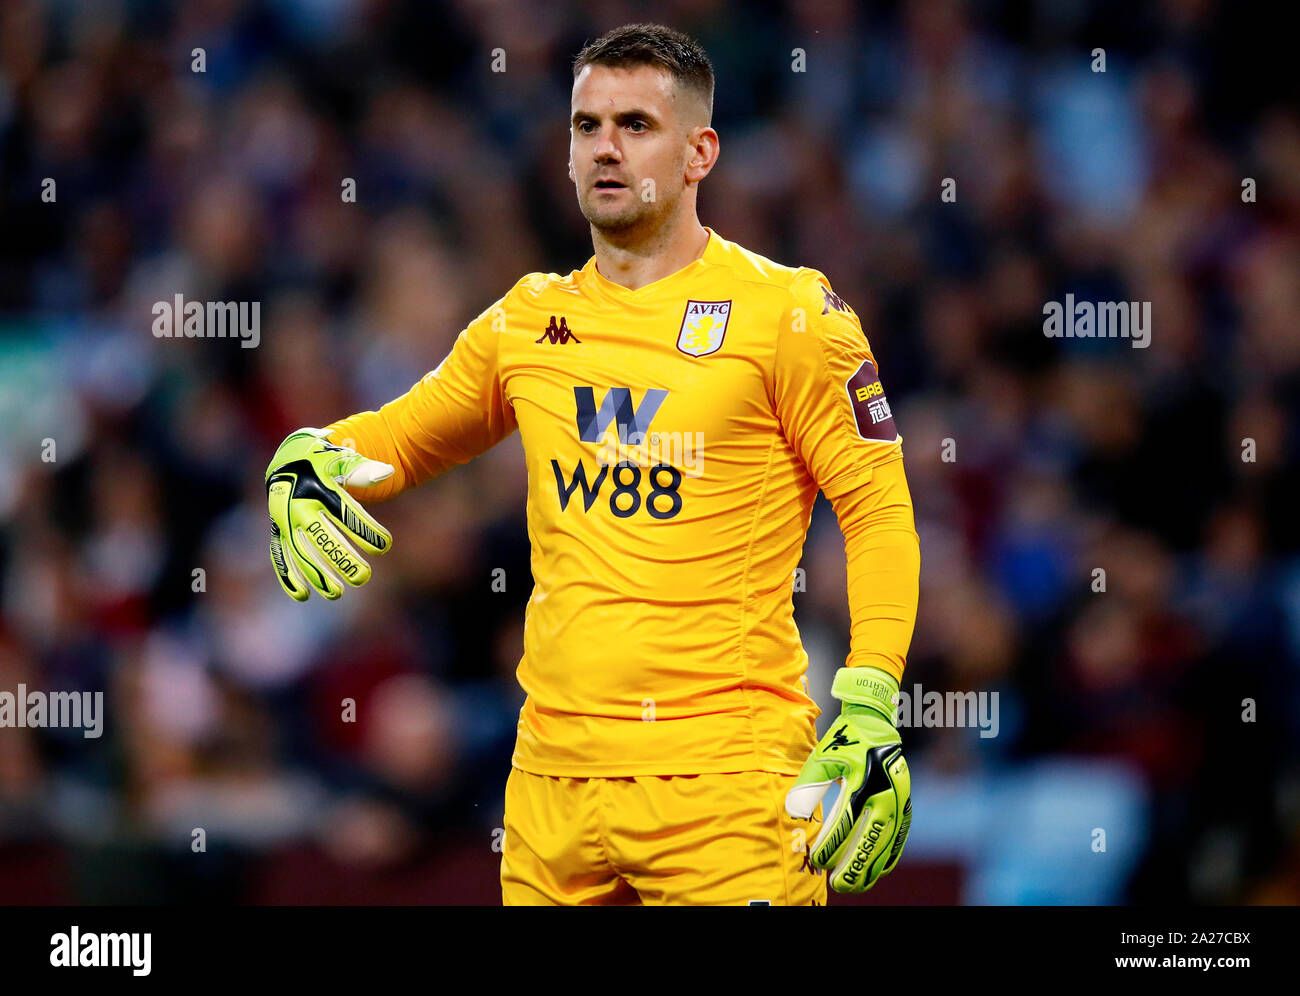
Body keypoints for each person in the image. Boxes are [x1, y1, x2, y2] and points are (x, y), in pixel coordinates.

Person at [264, 23, 919, 906]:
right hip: (551, 790)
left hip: (725, 783)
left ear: (700, 153)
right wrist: (308, 462)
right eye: (585, 125)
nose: (605, 148)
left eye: (637, 125)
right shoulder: (527, 321)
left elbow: (877, 510)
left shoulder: (791, 316)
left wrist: (872, 699)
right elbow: (398, 439)